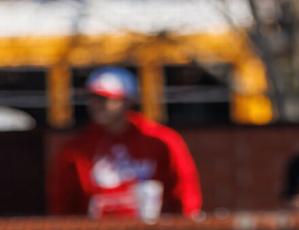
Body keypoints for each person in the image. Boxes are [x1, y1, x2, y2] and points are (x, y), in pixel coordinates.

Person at [48, 68, 202, 219]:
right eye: (92, 98)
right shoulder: (77, 148)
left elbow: (185, 190)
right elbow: (63, 202)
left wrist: (185, 229)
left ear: (127, 100)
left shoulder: (161, 140)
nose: (97, 105)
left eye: (105, 99)